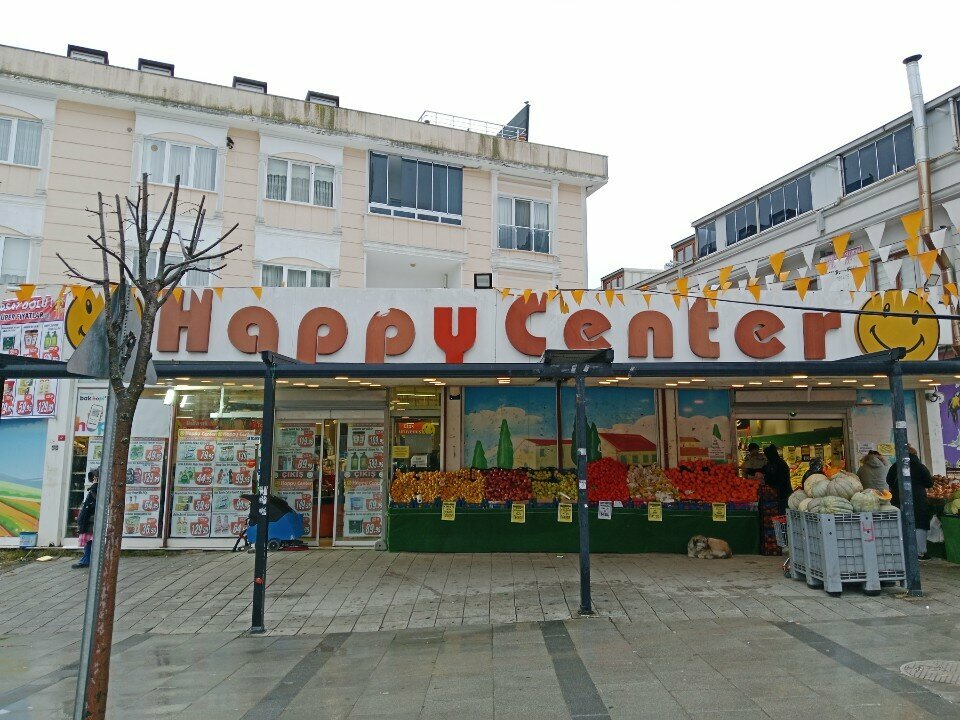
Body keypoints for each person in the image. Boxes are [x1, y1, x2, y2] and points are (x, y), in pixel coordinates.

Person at [886, 446, 934, 560]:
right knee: (920, 524)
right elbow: (929, 483)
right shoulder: (921, 467)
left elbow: (888, 480)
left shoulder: (896, 466)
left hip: (899, 498)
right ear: (915, 455)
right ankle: (920, 552)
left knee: (901, 523)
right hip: (918, 499)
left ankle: (902, 551)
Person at [73, 468, 99, 569]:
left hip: (91, 521)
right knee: (89, 542)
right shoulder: (94, 489)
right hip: (89, 521)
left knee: (90, 542)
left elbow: (92, 505)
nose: (93, 480)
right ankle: (87, 559)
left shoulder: (96, 490)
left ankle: (86, 560)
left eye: (94, 478)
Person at [762, 444, 792, 514]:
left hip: (782, 494)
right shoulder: (772, 463)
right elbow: (765, 470)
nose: (766, 457)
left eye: (767, 455)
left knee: (782, 512)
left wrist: (766, 480)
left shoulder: (779, 464)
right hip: (777, 493)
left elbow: (778, 479)